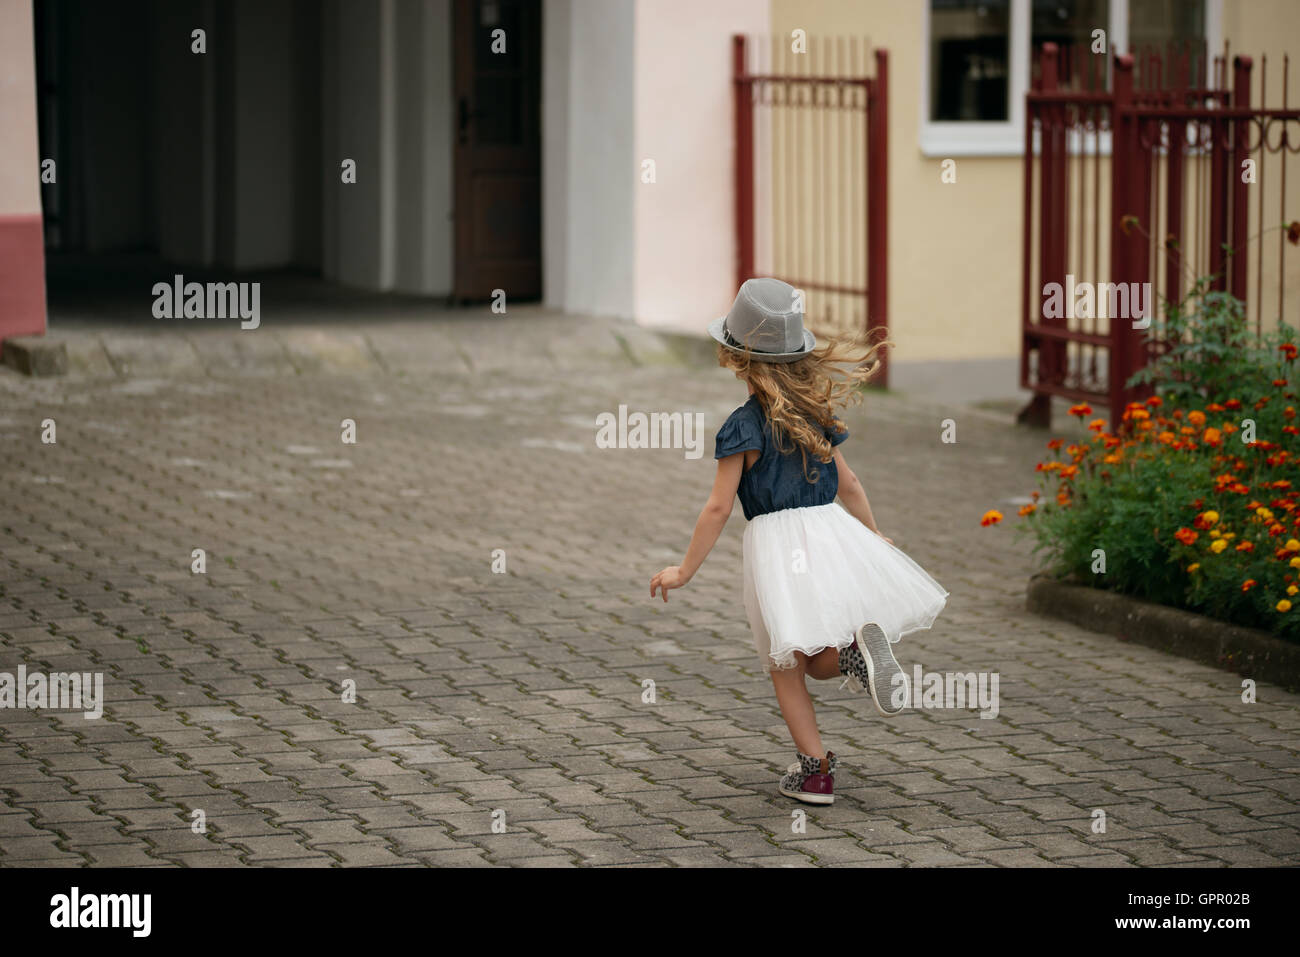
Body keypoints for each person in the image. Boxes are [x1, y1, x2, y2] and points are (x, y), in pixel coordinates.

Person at [649, 278, 947, 805]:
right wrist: (873, 535)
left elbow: (718, 507)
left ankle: (815, 772)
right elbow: (850, 484)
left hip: (775, 547)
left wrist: (684, 570)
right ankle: (855, 653)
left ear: (736, 357)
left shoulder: (742, 427)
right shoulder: (816, 416)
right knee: (816, 649)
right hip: (831, 531)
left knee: (787, 663)